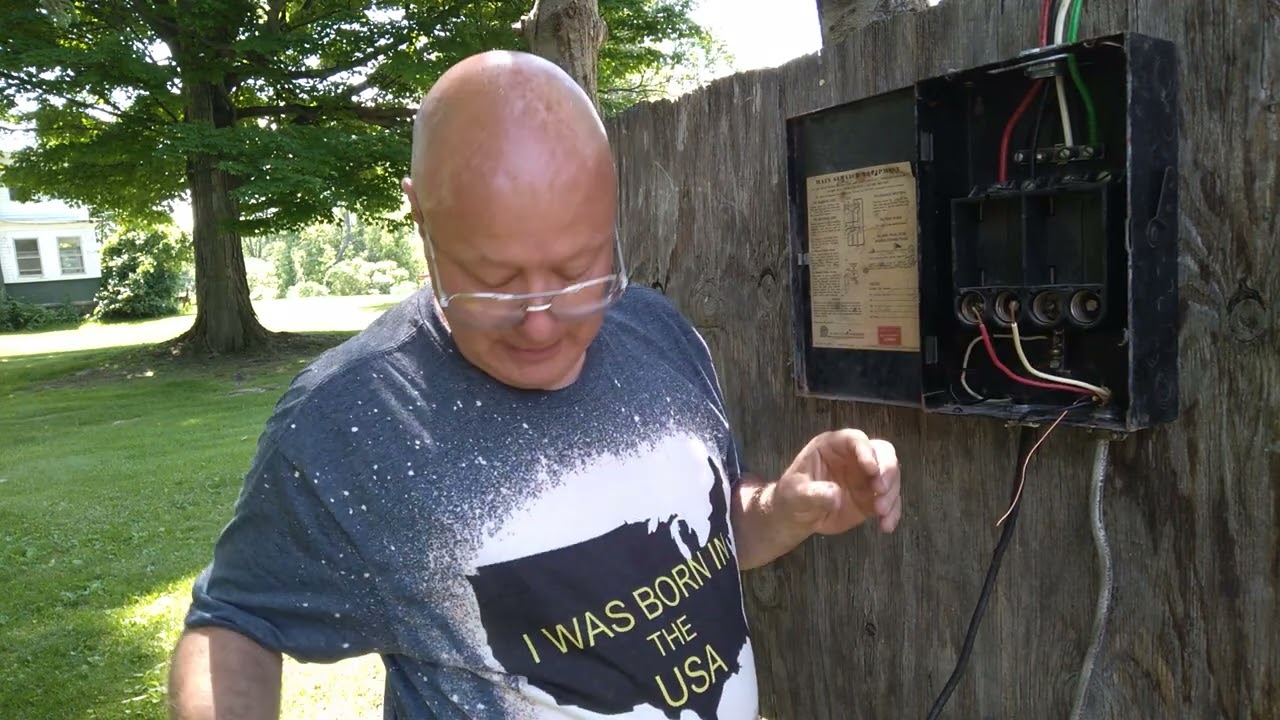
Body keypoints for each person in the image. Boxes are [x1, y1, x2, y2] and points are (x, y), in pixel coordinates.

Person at [167, 50, 902, 720]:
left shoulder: (658, 331)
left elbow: (699, 538)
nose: (543, 325)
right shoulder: (349, 420)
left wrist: (781, 507)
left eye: (579, 270)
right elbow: (235, 622)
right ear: (420, 218)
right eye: (495, 283)